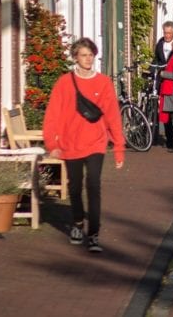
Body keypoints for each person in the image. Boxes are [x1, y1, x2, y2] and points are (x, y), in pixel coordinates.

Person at [43, 37, 125, 253]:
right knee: (75, 186)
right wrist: (52, 142)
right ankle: (78, 222)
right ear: (75, 58)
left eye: (91, 55)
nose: (88, 59)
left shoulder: (103, 82)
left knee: (94, 185)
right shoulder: (64, 83)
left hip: (96, 143)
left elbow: (113, 116)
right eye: (83, 55)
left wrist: (118, 147)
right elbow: (52, 114)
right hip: (71, 143)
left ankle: (94, 234)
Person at [152, 21, 173, 150]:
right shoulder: (160, 44)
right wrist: (152, 69)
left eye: (169, 33)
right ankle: (170, 140)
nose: (167, 35)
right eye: (165, 32)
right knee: (165, 110)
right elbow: (156, 59)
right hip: (162, 81)